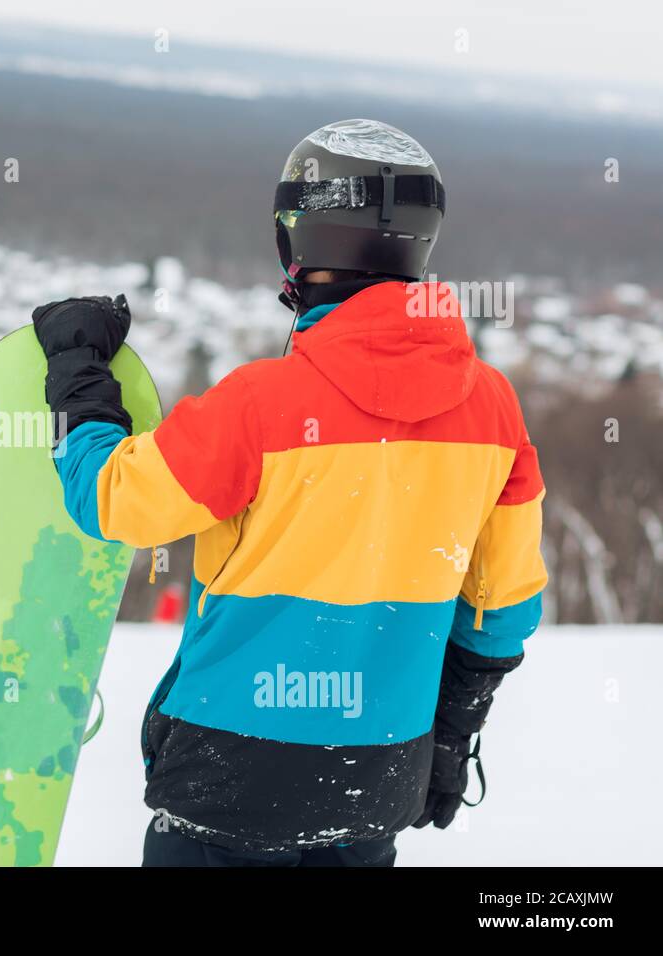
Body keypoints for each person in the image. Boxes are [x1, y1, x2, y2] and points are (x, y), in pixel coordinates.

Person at [31, 119, 547, 867]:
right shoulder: (493, 408)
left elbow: (116, 502)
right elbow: (501, 609)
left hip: (232, 770)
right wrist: (451, 734)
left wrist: (80, 376)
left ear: (298, 242)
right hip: (378, 775)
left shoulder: (261, 403)